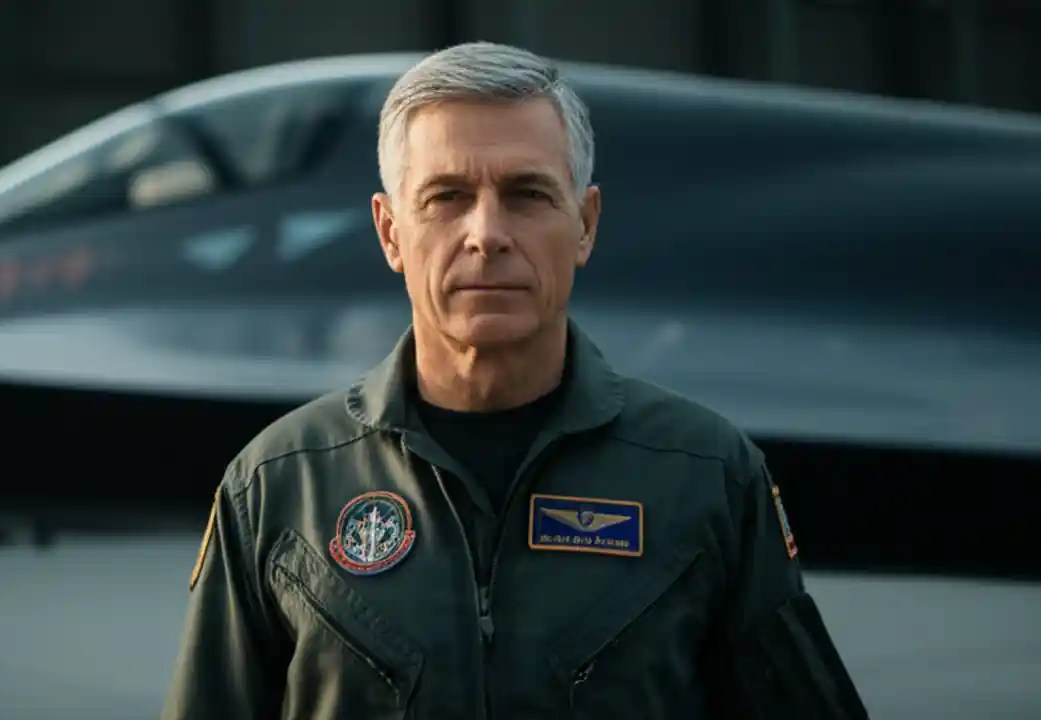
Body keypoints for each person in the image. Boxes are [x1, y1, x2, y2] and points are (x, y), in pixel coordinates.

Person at [159, 41, 867, 719]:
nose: (487, 233)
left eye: (528, 194)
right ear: (390, 232)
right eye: (446, 197)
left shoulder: (708, 476)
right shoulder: (279, 487)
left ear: (585, 225)